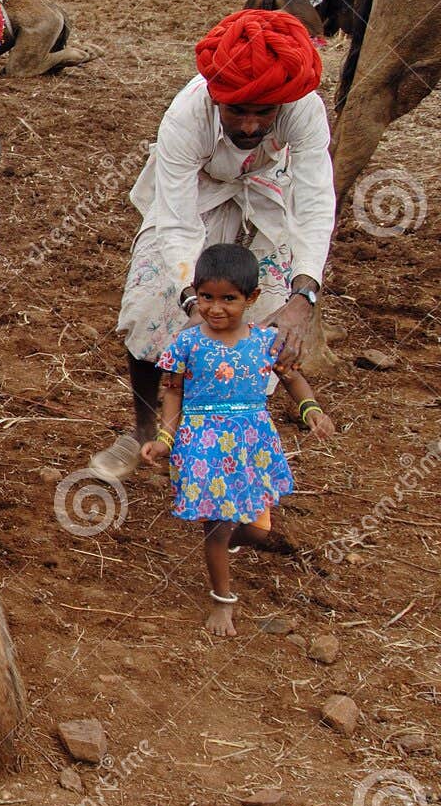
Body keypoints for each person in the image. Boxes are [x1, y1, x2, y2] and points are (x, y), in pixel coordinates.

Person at [90, 9, 333, 482]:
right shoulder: (186, 117)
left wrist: (304, 296)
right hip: (195, 196)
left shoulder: (304, 108)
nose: (248, 126)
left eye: (263, 113)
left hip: (266, 195)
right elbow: (177, 225)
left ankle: (226, 444)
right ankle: (144, 429)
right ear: (216, 98)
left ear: (284, 104)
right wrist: (188, 300)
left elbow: (315, 202)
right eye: (236, 110)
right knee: (147, 308)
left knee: (267, 326)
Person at [139, 243, 335, 636]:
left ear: (252, 298)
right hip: (204, 446)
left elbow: (292, 377)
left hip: (251, 445)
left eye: (229, 299)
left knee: (256, 530)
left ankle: (232, 539)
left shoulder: (267, 342)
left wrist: (311, 409)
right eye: (207, 297)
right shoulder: (187, 344)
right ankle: (221, 601)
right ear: (196, 293)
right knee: (218, 524)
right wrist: (166, 436)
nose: (216, 308)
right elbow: (173, 392)